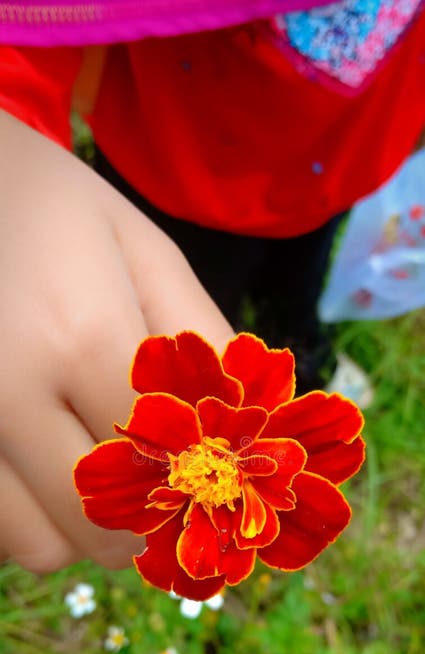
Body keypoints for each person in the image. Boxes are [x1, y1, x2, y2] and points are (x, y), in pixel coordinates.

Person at [1, 0, 424, 575]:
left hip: (340, 156)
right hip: (175, 168)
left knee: (299, 275)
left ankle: (304, 354)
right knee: (199, 310)